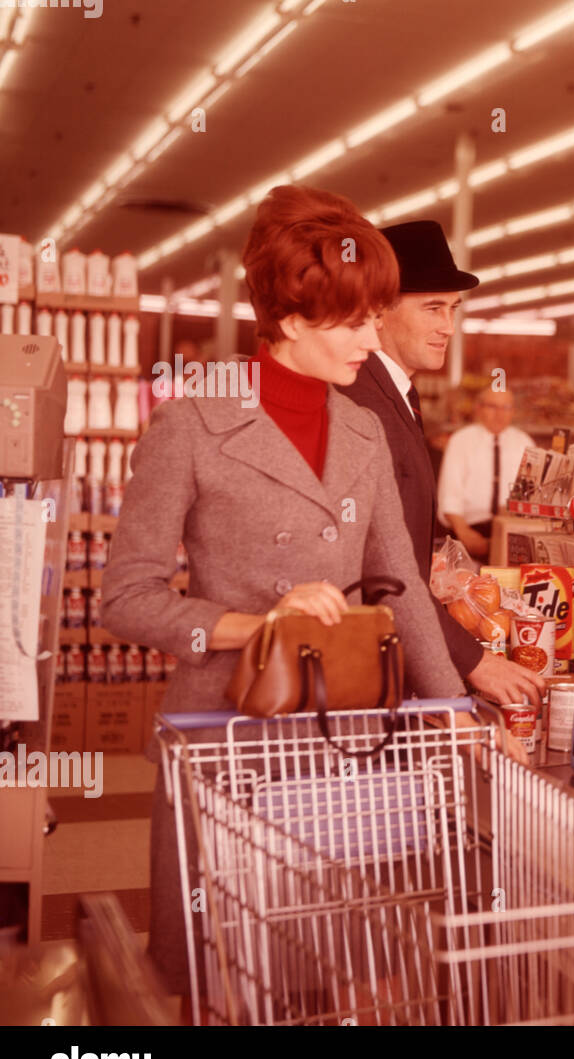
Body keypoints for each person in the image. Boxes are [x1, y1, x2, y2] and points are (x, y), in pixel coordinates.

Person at [102, 185, 468, 995]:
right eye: (356, 321)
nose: (374, 339)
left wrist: (454, 714)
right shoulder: (195, 424)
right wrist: (258, 624)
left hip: (334, 737)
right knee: (218, 973)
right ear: (294, 320)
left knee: (313, 971)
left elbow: (400, 581)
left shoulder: (364, 431)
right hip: (223, 735)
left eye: (377, 316)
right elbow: (125, 597)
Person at [339, 219, 542, 706]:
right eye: (432, 308)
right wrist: (471, 663)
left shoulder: (396, 393)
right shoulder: (362, 402)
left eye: (453, 309)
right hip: (365, 662)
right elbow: (380, 570)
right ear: (379, 311)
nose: (448, 327)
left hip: (394, 644)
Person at [437, 387, 534, 559]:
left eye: (506, 407)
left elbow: (532, 495)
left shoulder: (524, 442)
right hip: (468, 529)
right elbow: (449, 495)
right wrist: (465, 533)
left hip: (512, 531)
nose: (500, 414)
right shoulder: (461, 441)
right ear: (478, 408)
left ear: (514, 411)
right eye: (492, 407)